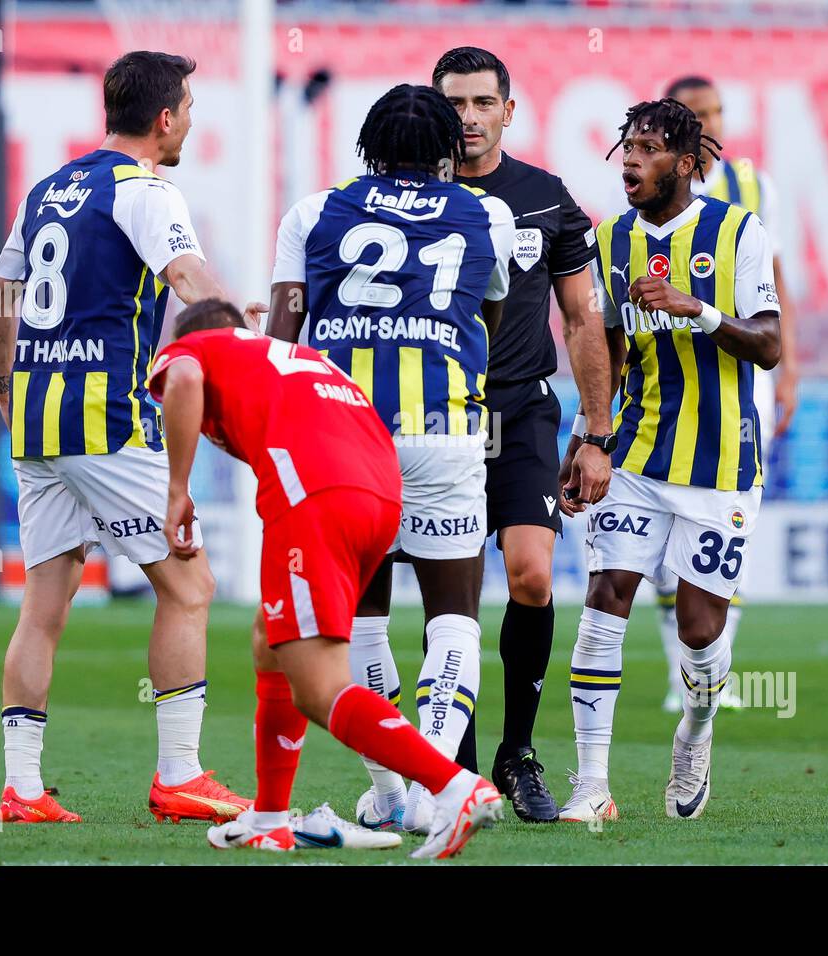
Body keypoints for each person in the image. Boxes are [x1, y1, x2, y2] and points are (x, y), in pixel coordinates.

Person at [0, 51, 250, 824]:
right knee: (189, 585)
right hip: (106, 420)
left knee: (44, 604)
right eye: (189, 107)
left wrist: (7, 389)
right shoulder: (148, 191)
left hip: (37, 418)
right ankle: (180, 775)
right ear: (164, 119)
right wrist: (244, 341)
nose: (192, 119)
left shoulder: (48, 190)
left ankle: (23, 789)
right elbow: (191, 281)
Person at [147, 299, 502, 858]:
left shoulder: (195, 349)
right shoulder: (295, 357)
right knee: (271, 644)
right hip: (381, 495)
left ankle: (455, 786)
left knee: (320, 687)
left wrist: (176, 490)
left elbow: (186, 375)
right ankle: (268, 816)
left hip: (312, 497)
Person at [265, 84, 516, 835]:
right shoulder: (489, 215)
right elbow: (487, 318)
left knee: (359, 621)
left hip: (343, 437)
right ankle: (438, 790)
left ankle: (396, 789)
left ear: (368, 146)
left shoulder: (312, 213)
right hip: (443, 430)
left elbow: (283, 340)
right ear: (447, 147)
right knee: (455, 619)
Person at [558, 97, 781, 822]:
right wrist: (593, 435)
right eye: (627, 146)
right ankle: (592, 785)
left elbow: (770, 344)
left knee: (698, 627)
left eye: (648, 148)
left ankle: (698, 726)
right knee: (606, 599)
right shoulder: (613, 238)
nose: (630, 158)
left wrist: (700, 311)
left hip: (720, 464)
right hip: (638, 453)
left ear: (686, 164)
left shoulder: (738, 232)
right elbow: (609, 343)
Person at [431, 46, 613, 821]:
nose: (468, 118)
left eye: (481, 103)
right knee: (456, 594)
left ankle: (518, 752)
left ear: (510, 110)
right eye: (455, 105)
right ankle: (457, 763)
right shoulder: (410, 195)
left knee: (532, 575)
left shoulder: (544, 199)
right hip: (434, 414)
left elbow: (580, 319)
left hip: (522, 411)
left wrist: (597, 431)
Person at [653, 75, 801, 713]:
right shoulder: (650, 181)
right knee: (660, 540)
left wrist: (788, 366)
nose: (711, 124)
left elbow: (775, 278)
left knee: (726, 520)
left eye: (717, 111)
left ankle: (712, 667)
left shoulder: (753, 185)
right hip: (670, 377)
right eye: (697, 113)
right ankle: (676, 671)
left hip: (744, 376)